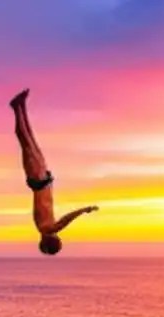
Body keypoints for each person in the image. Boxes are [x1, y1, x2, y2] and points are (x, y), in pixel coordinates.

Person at [10, 89, 97, 255]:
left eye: (59, 241)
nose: (60, 238)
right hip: (43, 179)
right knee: (31, 140)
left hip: (38, 179)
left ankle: (17, 107)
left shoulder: (46, 228)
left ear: (51, 241)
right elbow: (61, 220)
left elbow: (65, 221)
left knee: (26, 142)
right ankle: (21, 105)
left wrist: (84, 210)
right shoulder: (47, 227)